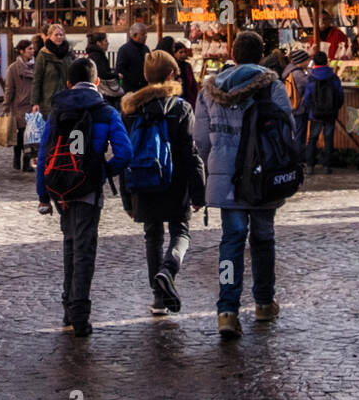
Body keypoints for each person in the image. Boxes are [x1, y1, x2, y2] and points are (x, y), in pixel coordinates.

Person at [193, 29, 293, 340]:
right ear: (262, 55)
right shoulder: (272, 86)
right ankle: (263, 302)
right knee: (263, 238)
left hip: (226, 179)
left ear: (232, 54)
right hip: (262, 176)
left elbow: (199, 139)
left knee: (232, 241)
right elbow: (287, 128)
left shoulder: (208, 90)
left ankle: (227, 311)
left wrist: (217, 165)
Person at [36, 56, 132, 338]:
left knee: (70, 242)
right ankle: (80, 313)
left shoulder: (57, 110)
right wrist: (103, 171)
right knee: (85, 248)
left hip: (61, 188)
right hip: (88, 187)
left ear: (68, 83)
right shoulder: (106, 112)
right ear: (97, 82)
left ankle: (68, 306)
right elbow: (124, 153)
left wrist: (43, 193)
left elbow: (44, 154)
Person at [120, 50, 206, 315]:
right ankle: (168, 270)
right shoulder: (181, 108)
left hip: (143, 180)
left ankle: (158, 298)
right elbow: (191, 154)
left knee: (152, 235)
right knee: (180, 232)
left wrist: (127, 198)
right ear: (170, 75)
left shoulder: (131, 110)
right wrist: (199, 192)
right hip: (175, 183)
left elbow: (125, 155)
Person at [302, 51, 345, 174]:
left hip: (315, 114)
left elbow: (307, 98)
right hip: (331, 113)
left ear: (314, 62)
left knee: (312, 138)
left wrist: (311, 109)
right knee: (328, 139)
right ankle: (327, 166)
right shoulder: (334, 77)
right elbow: (340, 95)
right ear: (327, 62)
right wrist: (336, 108)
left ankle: (310, 166)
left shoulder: (311, 78)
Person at [2, 39, 35, 171]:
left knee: (31, 136)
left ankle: (26, 162)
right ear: (22, 51)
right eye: (29, 49)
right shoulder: (14, 68)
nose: (32, 51)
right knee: (21, 135)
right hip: (20, 106)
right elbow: (9, 89)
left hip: (33, 105)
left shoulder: (37, 65)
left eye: (33, 48)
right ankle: (17, 157)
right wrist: (6, 107)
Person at [32, 23, 75, 116]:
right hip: (49, 100)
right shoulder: (43, 54)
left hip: (66, 97)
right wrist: (35, 102)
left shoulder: (69, 53)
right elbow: (37, 79)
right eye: (56, 35)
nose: (59, 37)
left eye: (61, 34)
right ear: (49, 36)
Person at [282, 47, 311, 151]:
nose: (308, 62)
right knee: (299, 134)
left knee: (296, 133)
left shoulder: (289, 70)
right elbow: (310, 83)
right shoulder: (298, 74)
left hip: (293, 107)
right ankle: (298, 157)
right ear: (301, 61)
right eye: (307, 60)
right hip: (299, 108)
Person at [86, 33, 122, 111]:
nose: (108, 43)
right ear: (98, 43)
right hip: (103, 91)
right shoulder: (98, 56)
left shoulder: (94, 54)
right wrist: (116, 75)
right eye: (105, 41)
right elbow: (102, 73)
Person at [116, 22, 149, 93]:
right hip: (131, 88)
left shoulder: (145, 48)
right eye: (143, 34)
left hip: (145, 86)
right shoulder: (124, 50)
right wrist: (134, 78)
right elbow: (120, 69)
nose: (146, 36)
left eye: (146, 34)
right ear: (135, 35)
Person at [173, 37, 198, 109]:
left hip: (189, 99)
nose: (183, 54)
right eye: (180, 52)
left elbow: (193, 82)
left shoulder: (187, 66)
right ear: (174, 53)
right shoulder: (173, 66)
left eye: (184, 52)